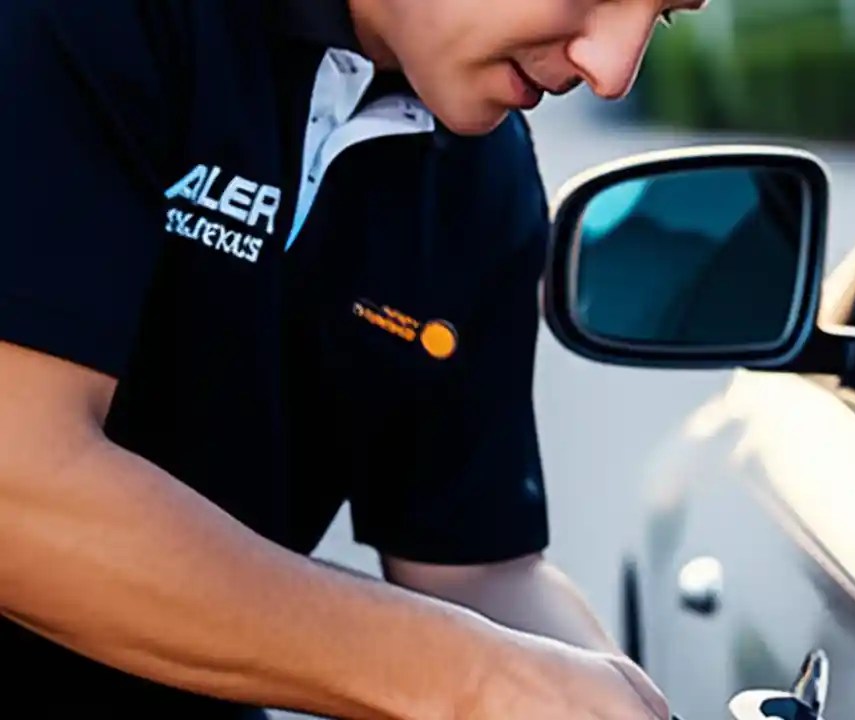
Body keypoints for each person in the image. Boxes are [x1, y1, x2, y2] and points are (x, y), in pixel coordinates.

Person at [0, 0, 705, 717]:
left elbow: (474, 571)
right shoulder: (81, 20)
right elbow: (16, 489)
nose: (614, 71)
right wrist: (469, 677)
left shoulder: (480, 175)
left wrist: (611, 699)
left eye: (666, 14)